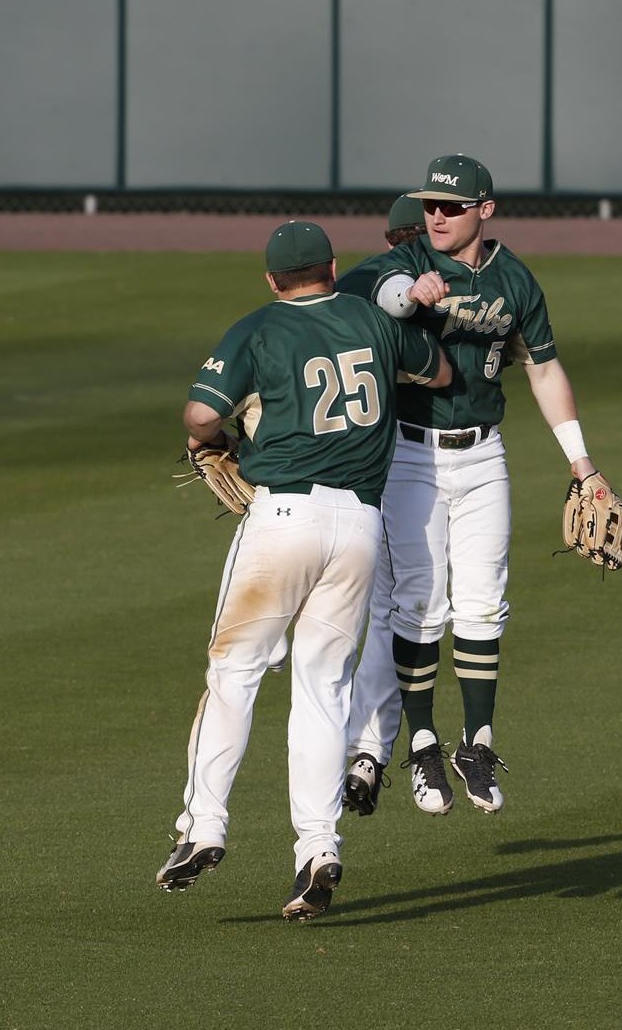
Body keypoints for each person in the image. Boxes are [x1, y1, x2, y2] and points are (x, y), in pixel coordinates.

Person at [157, 220, 451, 921]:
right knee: (324, 690)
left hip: (281, 521)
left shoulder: (258, 329)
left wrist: (216, 439)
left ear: (271, 279)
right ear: (332, 267)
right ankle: (318, 848)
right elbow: (437, 370)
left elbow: (200, 413)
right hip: (358, 527)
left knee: (235, 674)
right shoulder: (370, 318)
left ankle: (203, 827)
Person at [337, 154, 610, 816]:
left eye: (451, 207)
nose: (436, 215)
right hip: (410, 458)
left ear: (484, 211)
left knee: (485, 605)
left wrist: (583, 464)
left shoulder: (515, 280)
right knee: (420, 606)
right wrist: (412, 298)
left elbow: (544, 370)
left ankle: (477, 744)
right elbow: (370, 294)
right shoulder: (405, 261)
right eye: (431, 204)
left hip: (484, 456)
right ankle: (423, 743)